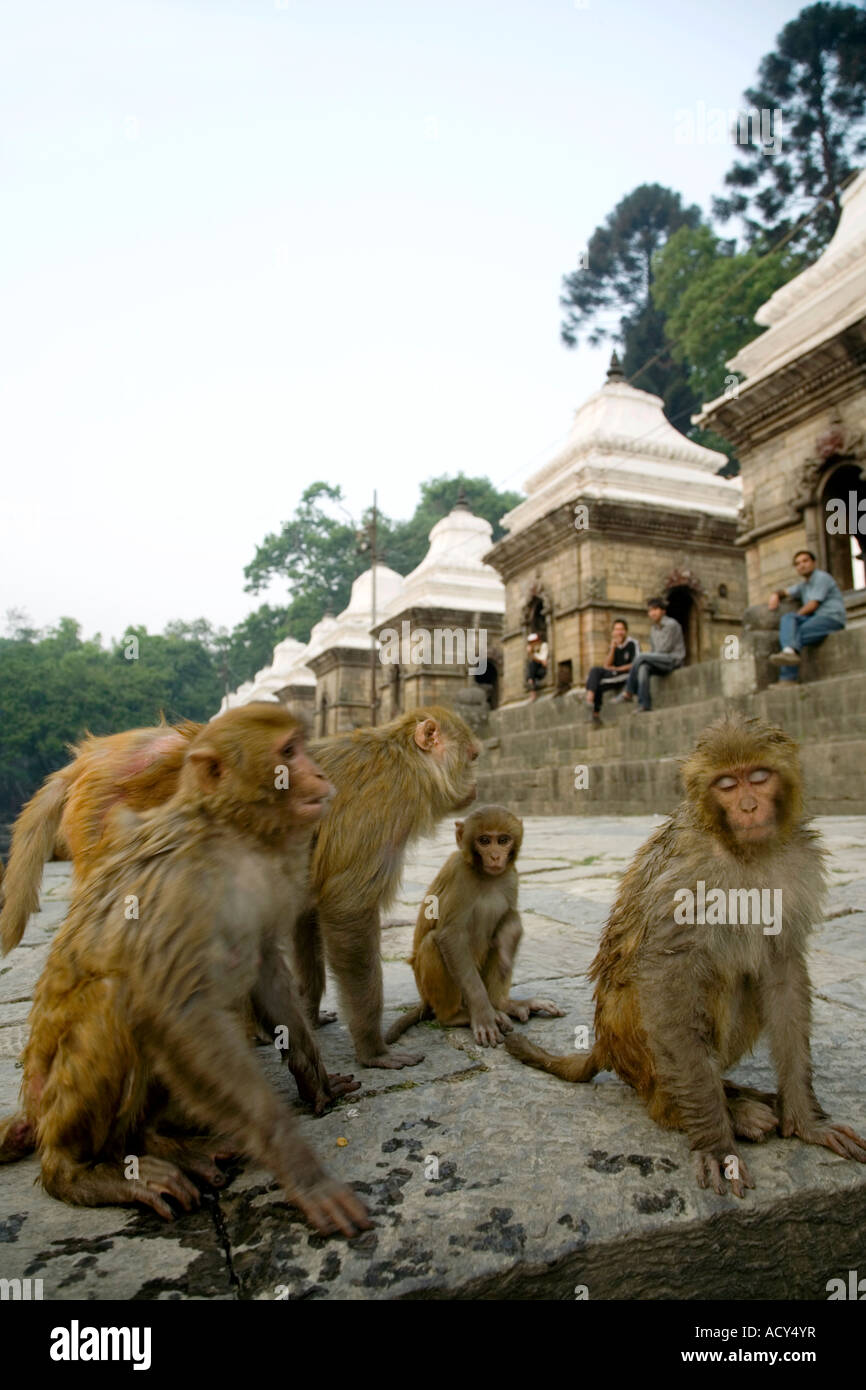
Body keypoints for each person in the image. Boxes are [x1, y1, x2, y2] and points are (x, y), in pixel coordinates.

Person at [768, 550, 847, 682]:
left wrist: (796, 619)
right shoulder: (803, 585)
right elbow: (786, 592)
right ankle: (788, 652)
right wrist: (775, 595)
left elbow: (813, 605)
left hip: (831, 619)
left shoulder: (821, 577)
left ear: (814, 563)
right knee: (788, 619)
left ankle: (787, 678)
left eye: (805, 561)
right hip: (814, 620)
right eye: (798, 563)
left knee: (794, 635)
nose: (802, 565)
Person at [614, 598, 685, 712]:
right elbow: (653, 650)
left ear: (663, 611)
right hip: (660, 660)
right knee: (643, 667)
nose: (652, 613)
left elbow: (664, 649)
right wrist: (649, 657)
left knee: (641, 657)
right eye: (650, 610)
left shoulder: (671, 625)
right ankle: (644, 704)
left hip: (673, 659)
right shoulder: (653, 629)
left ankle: (628, 691)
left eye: (655, 609)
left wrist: (648, 657)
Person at [584, 619, 639, 722]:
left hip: (626, 675)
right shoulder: (614, 645)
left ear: (626, 631)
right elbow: (606, 665)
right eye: (616, 630)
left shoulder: (632, 643)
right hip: (614, 674)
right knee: (595, 671)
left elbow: (636, 663)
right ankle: (590, 700)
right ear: (613, 632)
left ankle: (592, 707)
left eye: (621, 629)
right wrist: (612, 648)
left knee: (598, 684)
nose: (619, 632)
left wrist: (618, 668)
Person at [525, 633, 548, 702]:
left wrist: (531, 654)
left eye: (533, 642)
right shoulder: (533, 651)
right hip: (535, 672)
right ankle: (531, 682)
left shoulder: (544, 646)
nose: (532, 644)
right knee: (531, 666)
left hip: (542, 670)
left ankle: (532, 691)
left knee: (532, 665)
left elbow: (543, 659)